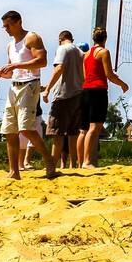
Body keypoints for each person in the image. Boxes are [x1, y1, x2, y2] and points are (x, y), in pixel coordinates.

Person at [0, 10, 56, 179]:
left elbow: (42, 61)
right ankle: (14, 171)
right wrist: (3, 72)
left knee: (26, 129)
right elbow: (12, 69)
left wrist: (15, 66)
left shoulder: (32, 37)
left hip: (30, 84)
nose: (6, 29)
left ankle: (49, 160)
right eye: (4, 26)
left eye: (8, 25)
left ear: (18, 22)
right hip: (14, 87)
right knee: (9, 130)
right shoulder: (10, 44)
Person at [78, 27, 129, 168]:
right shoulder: (104, 52)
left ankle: (79, 162)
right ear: (105, 39)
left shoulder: (86, 54)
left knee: (84, 129)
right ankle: (86, 161)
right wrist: (123, 84)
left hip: (86, 90)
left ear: (93, 38)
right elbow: (109, 75)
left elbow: (86, 75)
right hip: (97, 91)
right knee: (95, 127)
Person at [42, 30, 85, 169]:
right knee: (73, 133)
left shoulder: (62, 48)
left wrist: (48, 88)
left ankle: (52, 165)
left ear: (60, 39)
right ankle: (73, 165)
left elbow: (59, 68)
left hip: (63, 95)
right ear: (72, 38)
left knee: (57, 133)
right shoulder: (80, 52)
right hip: (78, 94)